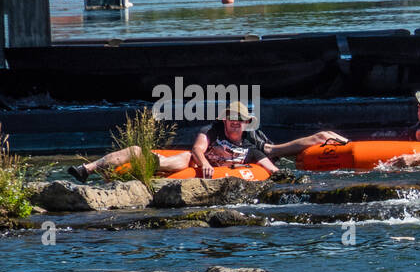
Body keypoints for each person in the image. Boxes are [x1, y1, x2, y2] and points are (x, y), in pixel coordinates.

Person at [67, 102, 347, 181]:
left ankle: (327, 137)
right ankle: (87, 170)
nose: (235, 123)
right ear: (225, 121)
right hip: (191, 163)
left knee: (311, 140)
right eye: (231, 119)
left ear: (246, 122)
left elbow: (272, 159)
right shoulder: (212, 130)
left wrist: (319, 138)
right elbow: (197, 150)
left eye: (239, 119)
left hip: (238, 166)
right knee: (137, 150)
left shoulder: (251, 142)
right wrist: (204, 164)